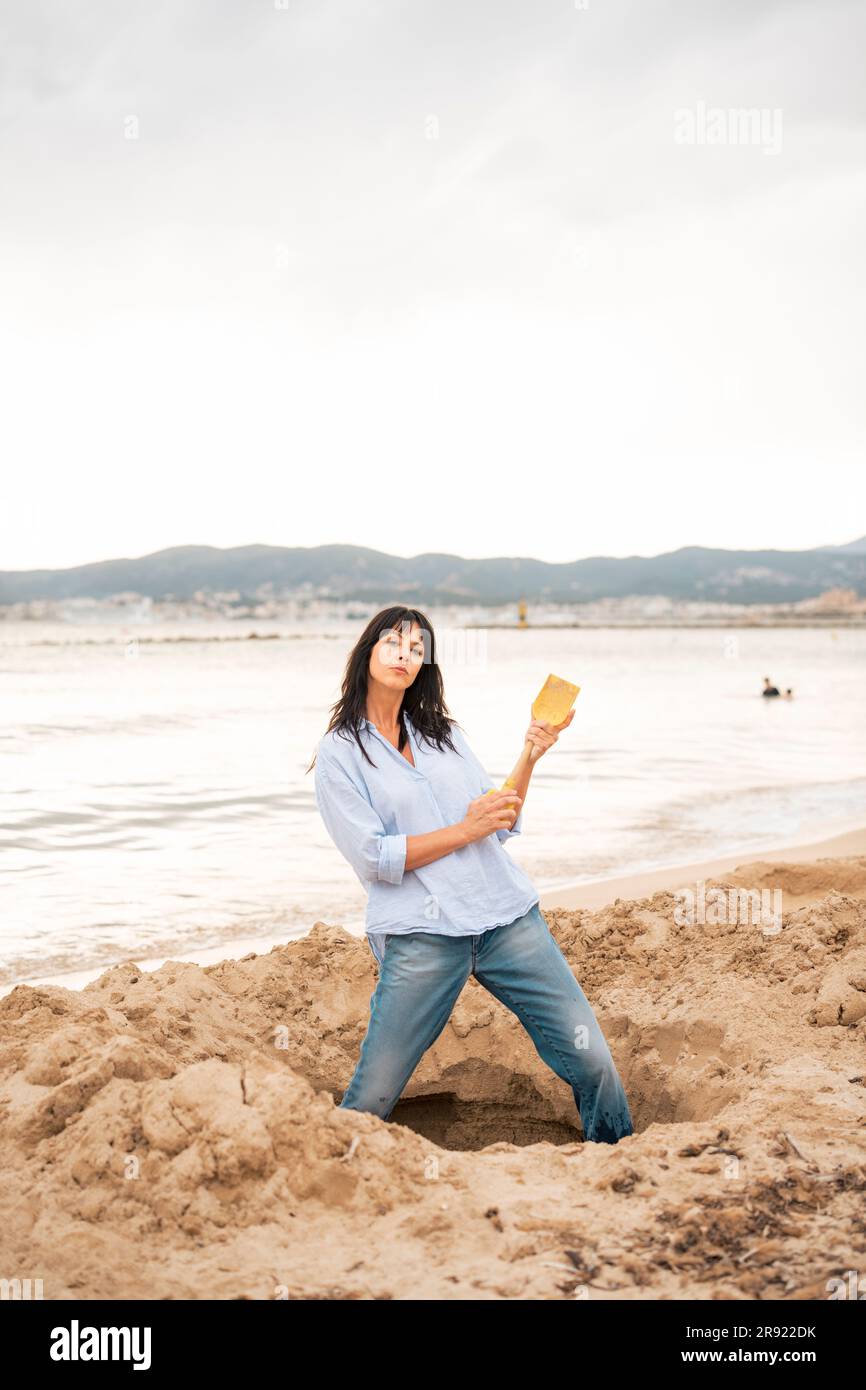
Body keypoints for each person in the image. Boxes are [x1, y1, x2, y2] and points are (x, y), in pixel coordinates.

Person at [308, 604, 634, 1145]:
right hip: (423, 934)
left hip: (506, 918)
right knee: (373, 1096)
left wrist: (530, 753)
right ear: (367, 651)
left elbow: (498, 819)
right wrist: (465, 829)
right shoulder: (340, 753)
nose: (405, 655)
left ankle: (617, 1154)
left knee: (593, 1058)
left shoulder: (443, 734)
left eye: (418, 649)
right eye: (393, 642)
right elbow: (375, 857)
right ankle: (336, 1173)